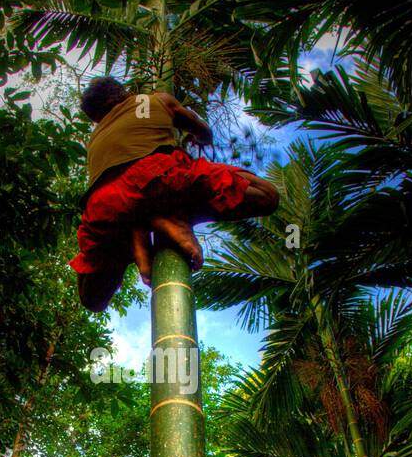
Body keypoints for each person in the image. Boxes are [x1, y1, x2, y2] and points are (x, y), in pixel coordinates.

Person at [70, 76, 279, 311]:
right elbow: (204, 132)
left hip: (105, 206)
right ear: (123, 93)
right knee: (267, 195)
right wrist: (194, 138)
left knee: (92, 298)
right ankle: (162, 215)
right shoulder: (157, 100)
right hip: (161, 178)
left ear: (98, 116)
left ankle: (139, 226)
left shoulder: (95, 138)